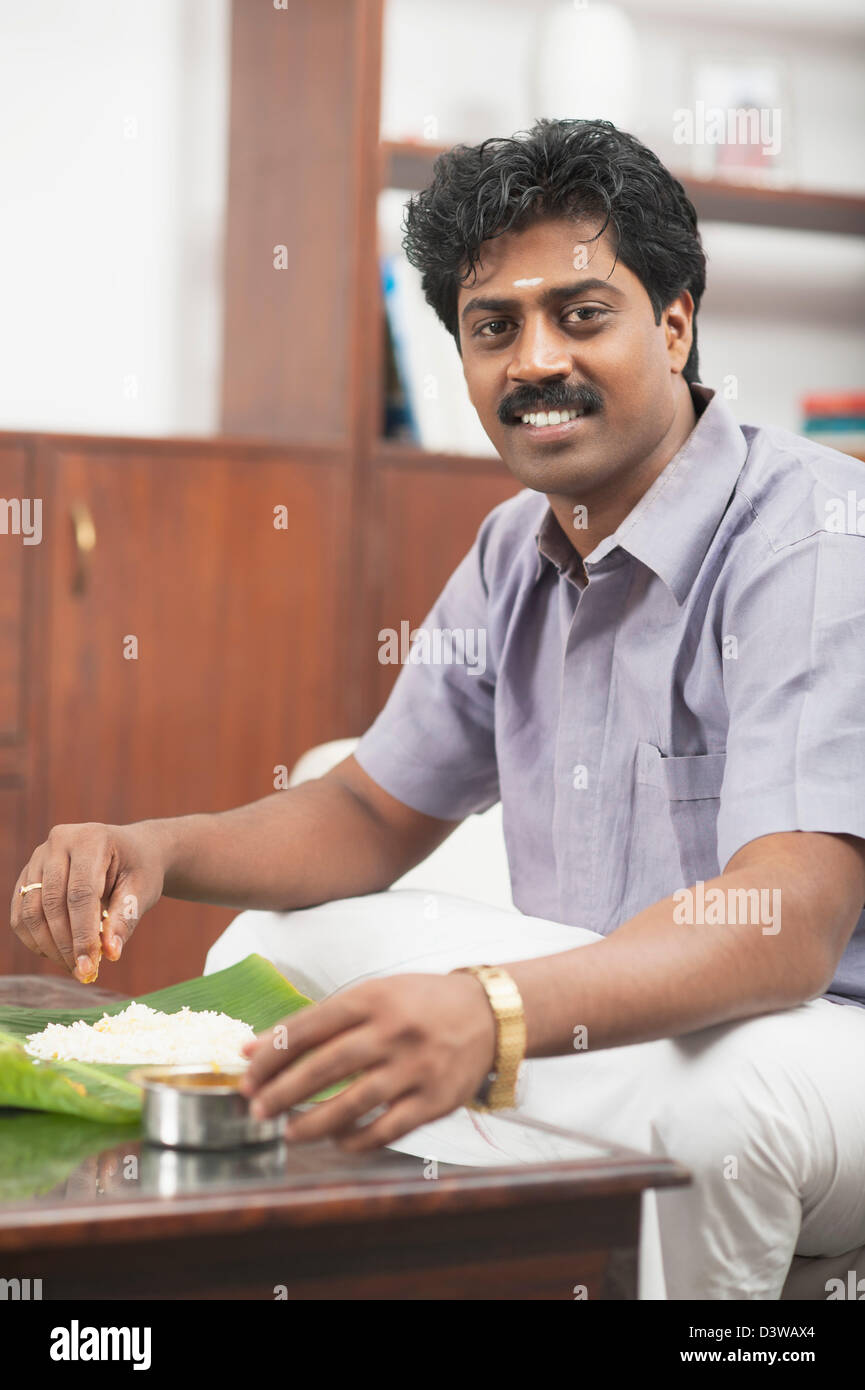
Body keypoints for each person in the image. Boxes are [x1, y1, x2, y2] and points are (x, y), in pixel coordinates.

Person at [10, 119, 865, 1300]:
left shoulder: (811, 534)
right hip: (601, 1012)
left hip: (812, 1031)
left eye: (581, 314)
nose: (534, 361)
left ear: (673, 324)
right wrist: (155, 847)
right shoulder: (514, 548)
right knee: (271, 950)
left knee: (722, 1109)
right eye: (493, 327)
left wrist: (491, 1012)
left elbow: (789, 924)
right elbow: (370, 810)